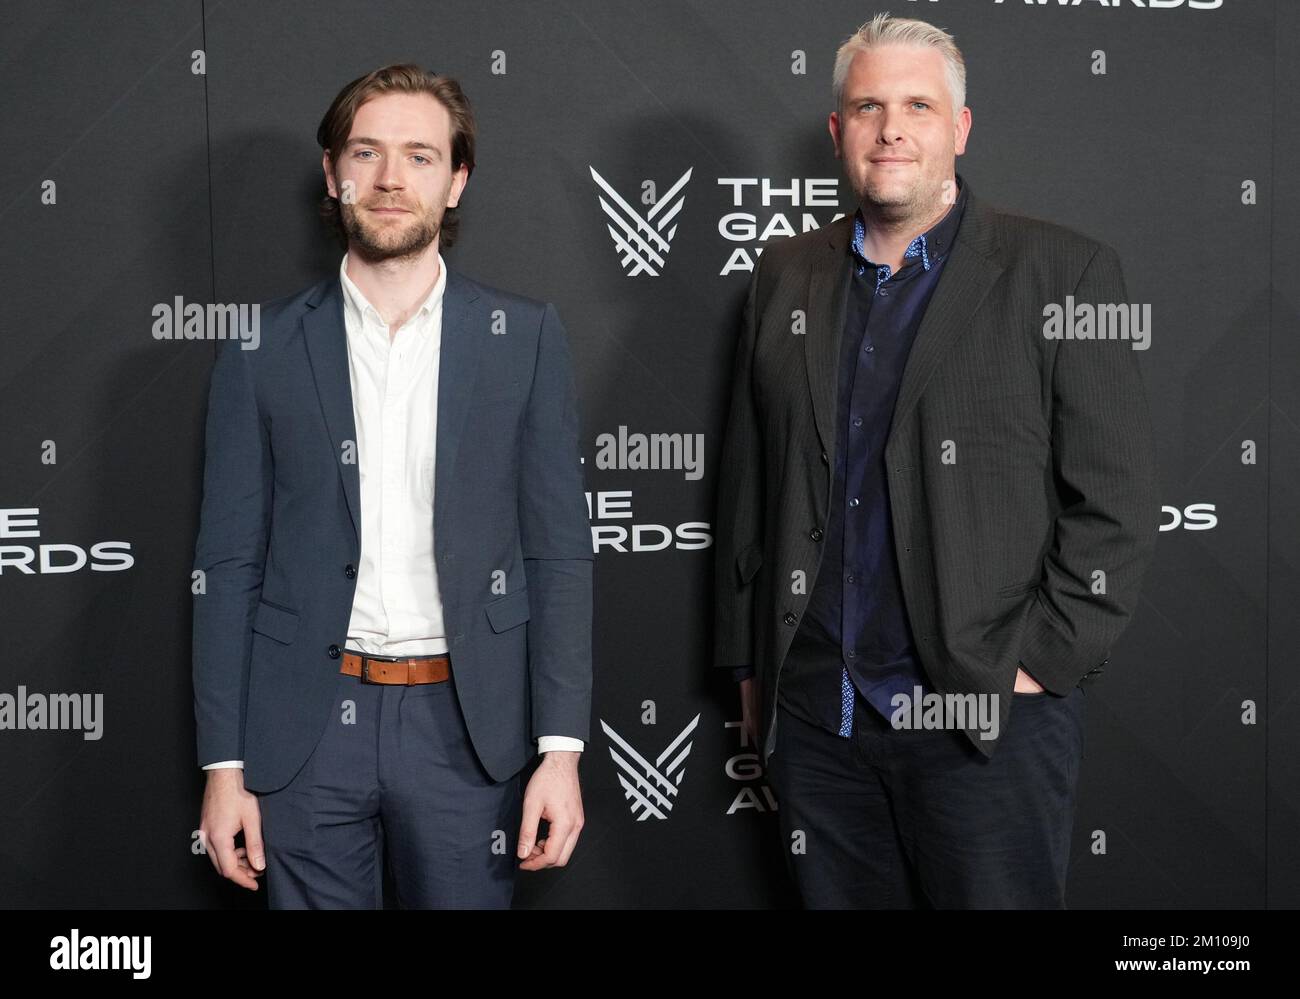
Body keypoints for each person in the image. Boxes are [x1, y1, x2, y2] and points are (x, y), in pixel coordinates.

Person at [713, 14, 1158, 908]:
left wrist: (1036, 667)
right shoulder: (784, 275)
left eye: (919, 104)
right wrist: (750, 669)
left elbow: (1115, 498)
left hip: (983, 722)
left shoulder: (1060, 272)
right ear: (838, 132)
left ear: (958, 128)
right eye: (868, 105)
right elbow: (747, 489)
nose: (892, 128)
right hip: (816, 719)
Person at [193, 64, 592, 908]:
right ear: (333, 174)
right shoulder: (259, 350)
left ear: (456, 182)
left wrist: (561, 750)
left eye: (418, 155)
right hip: (303, 732)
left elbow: (559, 554)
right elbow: (226, 567)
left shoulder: (523, 338)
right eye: (366, 153)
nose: (389, 179)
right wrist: (222, 765)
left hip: (470, 729)